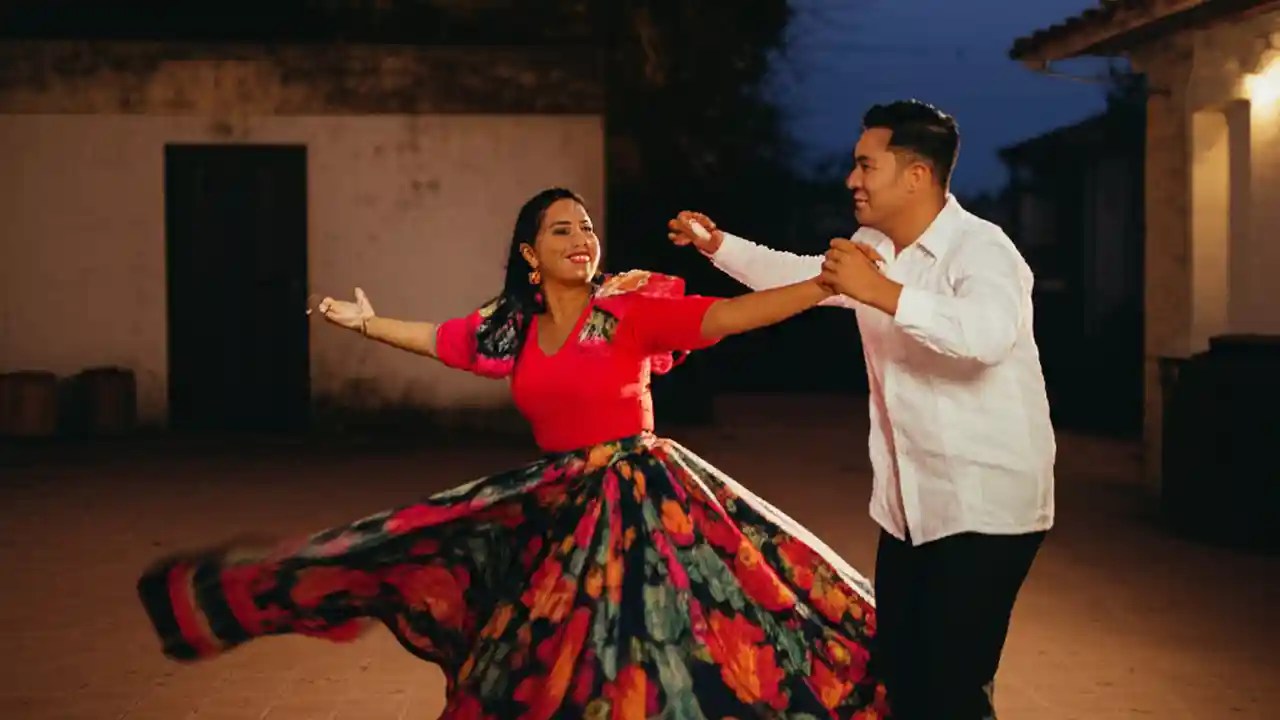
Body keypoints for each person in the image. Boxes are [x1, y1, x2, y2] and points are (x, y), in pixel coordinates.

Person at [137, 187, 892, 718]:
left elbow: (729, 315)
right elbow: (443, 341)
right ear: (530, 253)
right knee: (536, 658)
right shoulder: (515, 327)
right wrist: (367, 326)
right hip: (560, 513)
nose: (580, 239)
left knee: (660, 653)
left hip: (642, 510)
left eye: (586, 227)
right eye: (561, 229)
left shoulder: (627, 311)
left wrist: (822, 287)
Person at [668, 100, 1055, 720]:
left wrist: (880, 292)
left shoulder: (983, 250)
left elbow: (985, 335)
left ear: (916, 176)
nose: (852, 179)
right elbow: (805, 276)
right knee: (902, 677)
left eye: (865, 165)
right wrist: (719, 246)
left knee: (953, 689)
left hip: (987, 507)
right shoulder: (874, 244)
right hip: (910, 510)